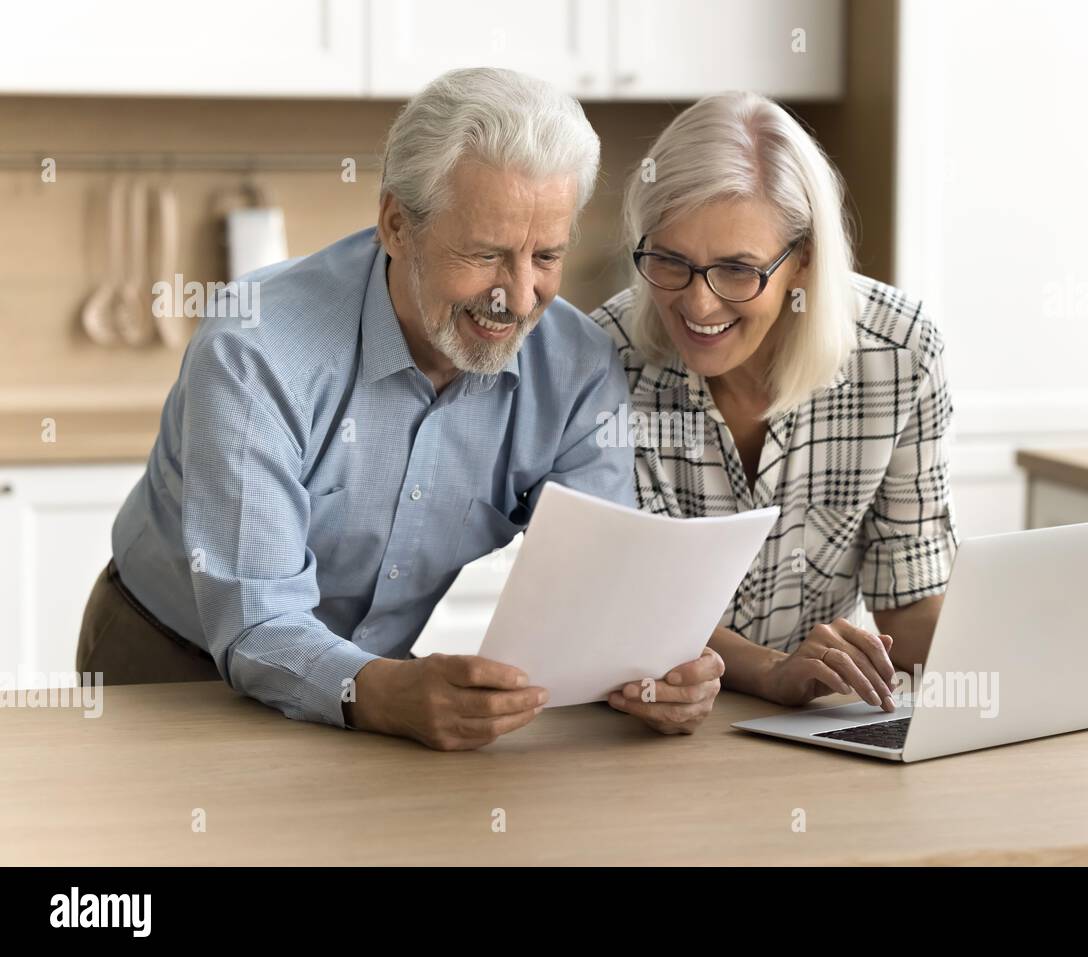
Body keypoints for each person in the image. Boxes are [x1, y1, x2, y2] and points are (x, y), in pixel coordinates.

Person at [77, 68, 723, 750]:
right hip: (173, 665)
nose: (520, 295)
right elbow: (257, 624)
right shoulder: (257, 352)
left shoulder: (576, 368)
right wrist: (382, 691)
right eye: (486, 254)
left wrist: (656, 672)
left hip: (375, 688)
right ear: (396, 225)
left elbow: (603, 589)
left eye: (547, 255)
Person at [593, 91, 959, 719]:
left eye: (738, 270)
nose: (699, 306)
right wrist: (771, 673)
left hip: (812, 724)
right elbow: (635, 605)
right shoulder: (605, 360)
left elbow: (909, 596)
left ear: (804, 262)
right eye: (671, 262)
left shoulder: (899, 353)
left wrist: (1005, 659)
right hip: (651, 722)